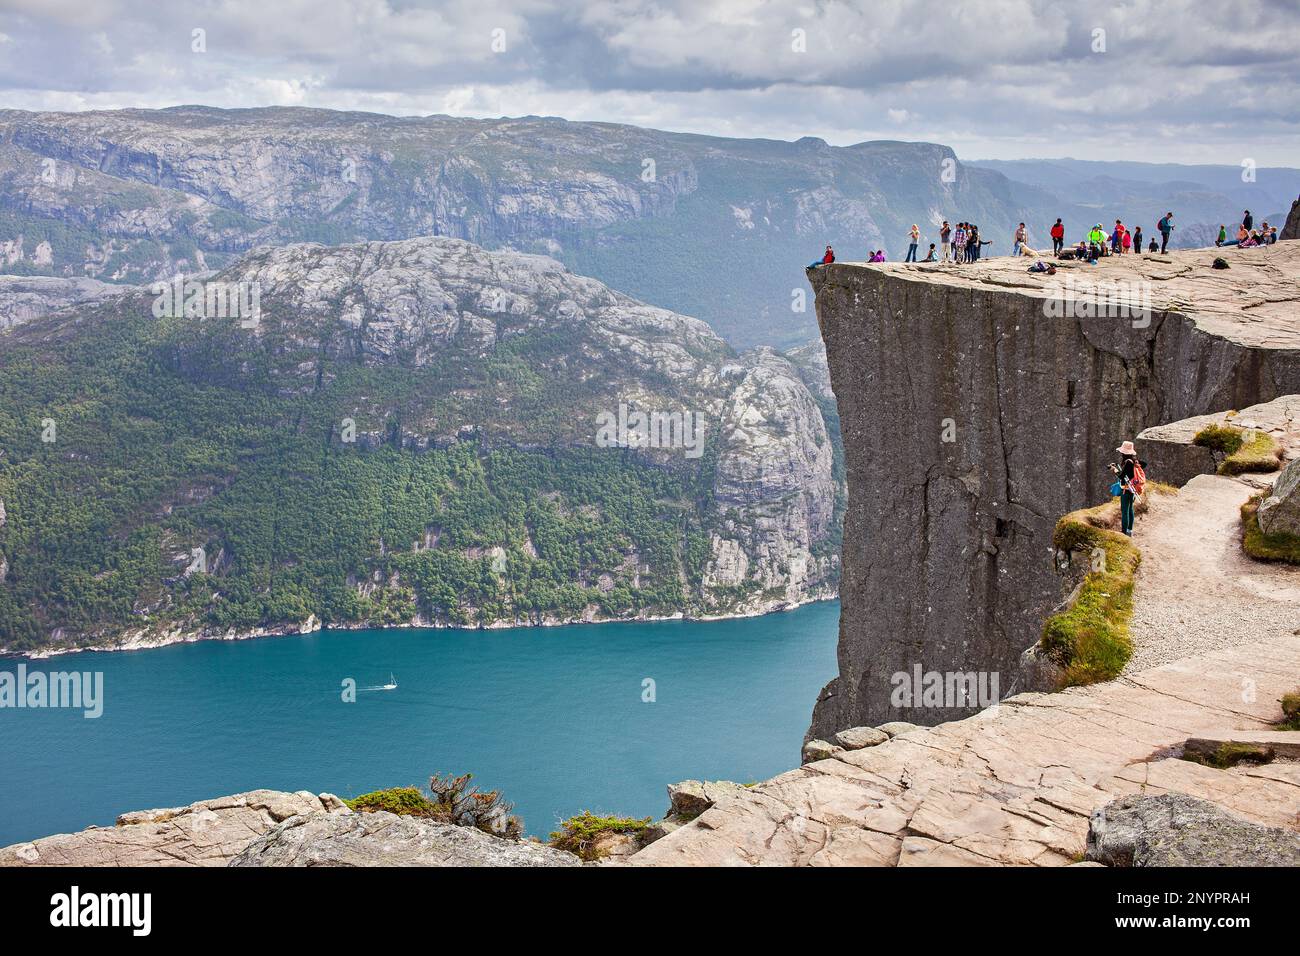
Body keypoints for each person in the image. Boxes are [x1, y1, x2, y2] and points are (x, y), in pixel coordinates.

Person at [1109, 440, 1144, 537]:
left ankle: (1124, 533)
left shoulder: (1128, 462)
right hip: (1133, 489)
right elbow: (1129, 473)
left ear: (1124, 453)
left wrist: (1114, 470)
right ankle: (1129, 531)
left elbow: (1121, 476)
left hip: (1127, 490)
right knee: (1130, 510)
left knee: (1124, 511)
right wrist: (1118, 467)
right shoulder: (1134, 461)